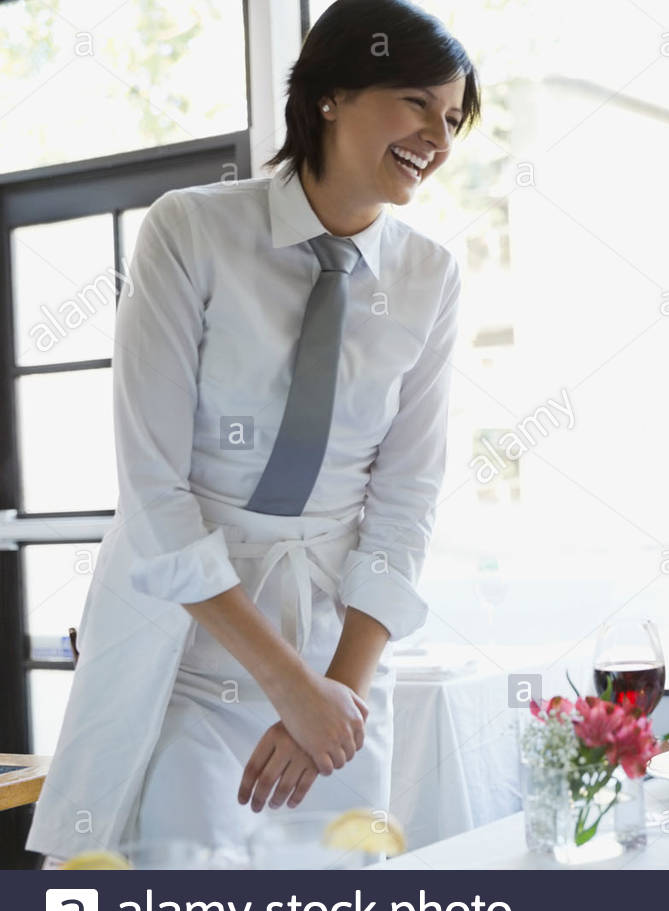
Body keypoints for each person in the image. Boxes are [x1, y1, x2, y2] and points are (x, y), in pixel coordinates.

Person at [27, 0, 481, 862]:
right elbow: (154, 491)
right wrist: (287, 684)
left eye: (453, 117)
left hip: (334, 644)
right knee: (177, 876)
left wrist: (331, 697)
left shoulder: (429, 275)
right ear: (330, 95)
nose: (439, 134)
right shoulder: (191, 231)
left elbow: (406, 499)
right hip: (189, 634)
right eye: (417, 101)